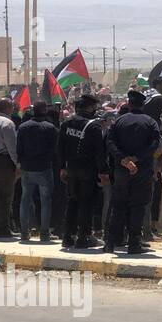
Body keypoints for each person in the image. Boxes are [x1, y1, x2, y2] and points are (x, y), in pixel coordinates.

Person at [103, 89, 162, 256]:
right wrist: (136, 159)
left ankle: (110, 243)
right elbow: (154, 145)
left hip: (122, 170)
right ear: (143, 105)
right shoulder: (150, 122)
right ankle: (134, 244)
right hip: (142, 170)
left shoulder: (118, 121)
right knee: (138, 207)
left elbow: (110, 142)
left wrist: (123, 159)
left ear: (129, 104)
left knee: (118, 206)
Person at [58, 94, 105, 250]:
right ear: (89, 108)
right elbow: (100, 152)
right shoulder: (94, 126)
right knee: (86, 202)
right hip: (88, 169)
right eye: (93, 107)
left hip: (71, 168)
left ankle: (67, 237)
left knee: (72, 201)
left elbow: (60, 148)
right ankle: (83, 237)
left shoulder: (66, 124)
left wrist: (62, 167)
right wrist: (103, 171)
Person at [16, 102, 59, 243]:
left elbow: (19, 149)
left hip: (27, 168)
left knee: (25, 199)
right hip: (44, 168)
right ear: (45, 111)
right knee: (46, 201)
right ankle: (44, 234)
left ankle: (24, 233)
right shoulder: (50, 128)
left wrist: (22, 162)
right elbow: (54, 150)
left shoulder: (23, 127)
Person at [0, 98, 17, 238]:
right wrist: (17, 165)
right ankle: (3, 229)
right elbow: (12, 147)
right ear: (7, 108)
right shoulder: (7, 123)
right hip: (3, 163)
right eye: (12, 106)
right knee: (5, 197)